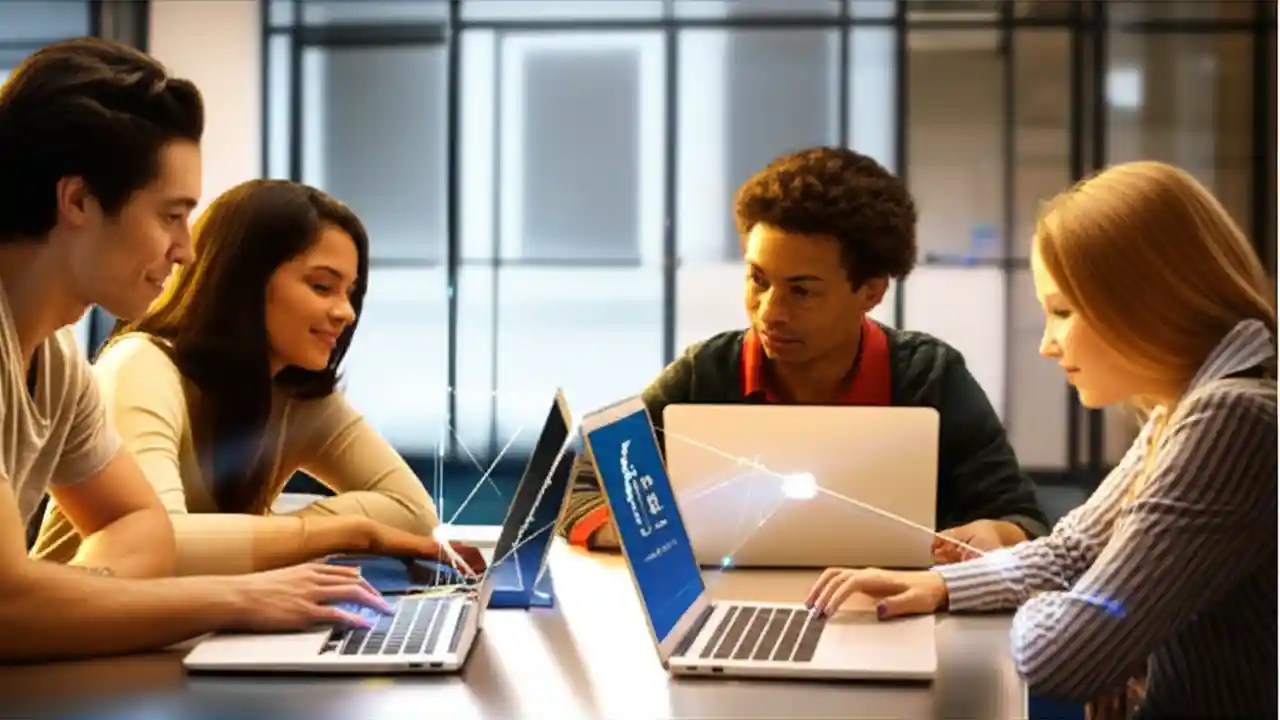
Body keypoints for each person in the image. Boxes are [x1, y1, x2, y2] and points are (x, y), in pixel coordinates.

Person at [804, 161, 1276, 719]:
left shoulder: (1231, 417)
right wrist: (942, 585)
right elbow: (1070, 552)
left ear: (1144, 299)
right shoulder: (1183, 407)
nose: (1047, 345)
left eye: (1062, 312)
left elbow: (1066, 657)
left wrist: (1059, 598)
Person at [0, 38, 396, 663]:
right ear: (77, 201)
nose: (185, 250)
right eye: (170, 216)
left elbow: (141, 529)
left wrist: (67, 598)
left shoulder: (58, 362)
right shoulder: (130, 360)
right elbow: (8, 605)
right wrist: (234, 598)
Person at [561, 147, 1049, 557]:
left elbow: (1022, 519)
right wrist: (642, 534)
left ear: (871, 292)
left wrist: (998, 534)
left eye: (802, 291)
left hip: (888, 611)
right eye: (758, 280)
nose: (770, 313)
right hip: (726, 605)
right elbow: (579, 486)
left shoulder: (929, 377)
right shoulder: (704, 374)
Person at [32, 179, 485, 577]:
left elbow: (413, 512)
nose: (346, 312)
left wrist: (264, 537)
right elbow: (160, 545)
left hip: (188, 634)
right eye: (322, 286)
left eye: (350, 292)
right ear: (243, 280)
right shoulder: (142, 367)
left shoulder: (296, 394)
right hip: (75, 642)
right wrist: (347, 533)